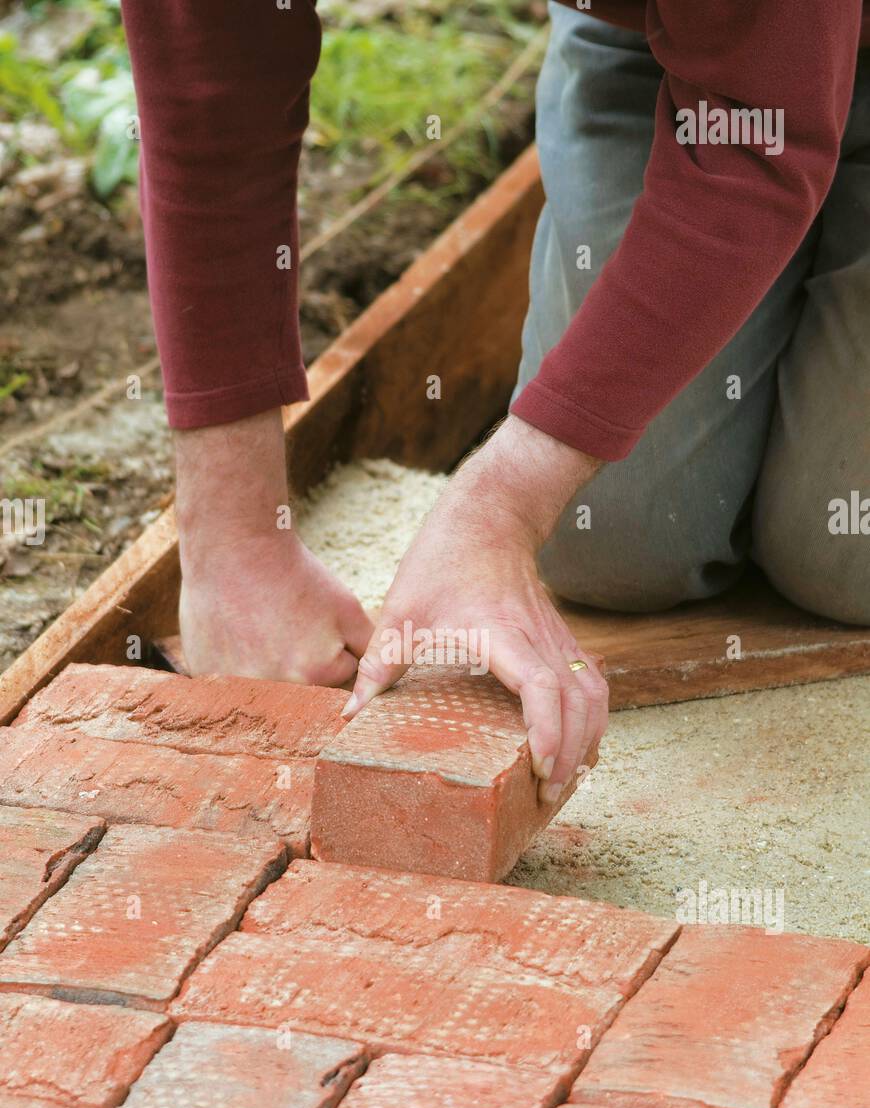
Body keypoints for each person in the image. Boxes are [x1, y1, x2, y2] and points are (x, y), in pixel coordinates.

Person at [120, 0, 868, 805]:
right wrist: (233, 541)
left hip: (766, 77)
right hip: (673, 47)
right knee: (611, 542)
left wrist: (497, 506)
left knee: (841, 553)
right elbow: (208, 68)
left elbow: (764, 143)